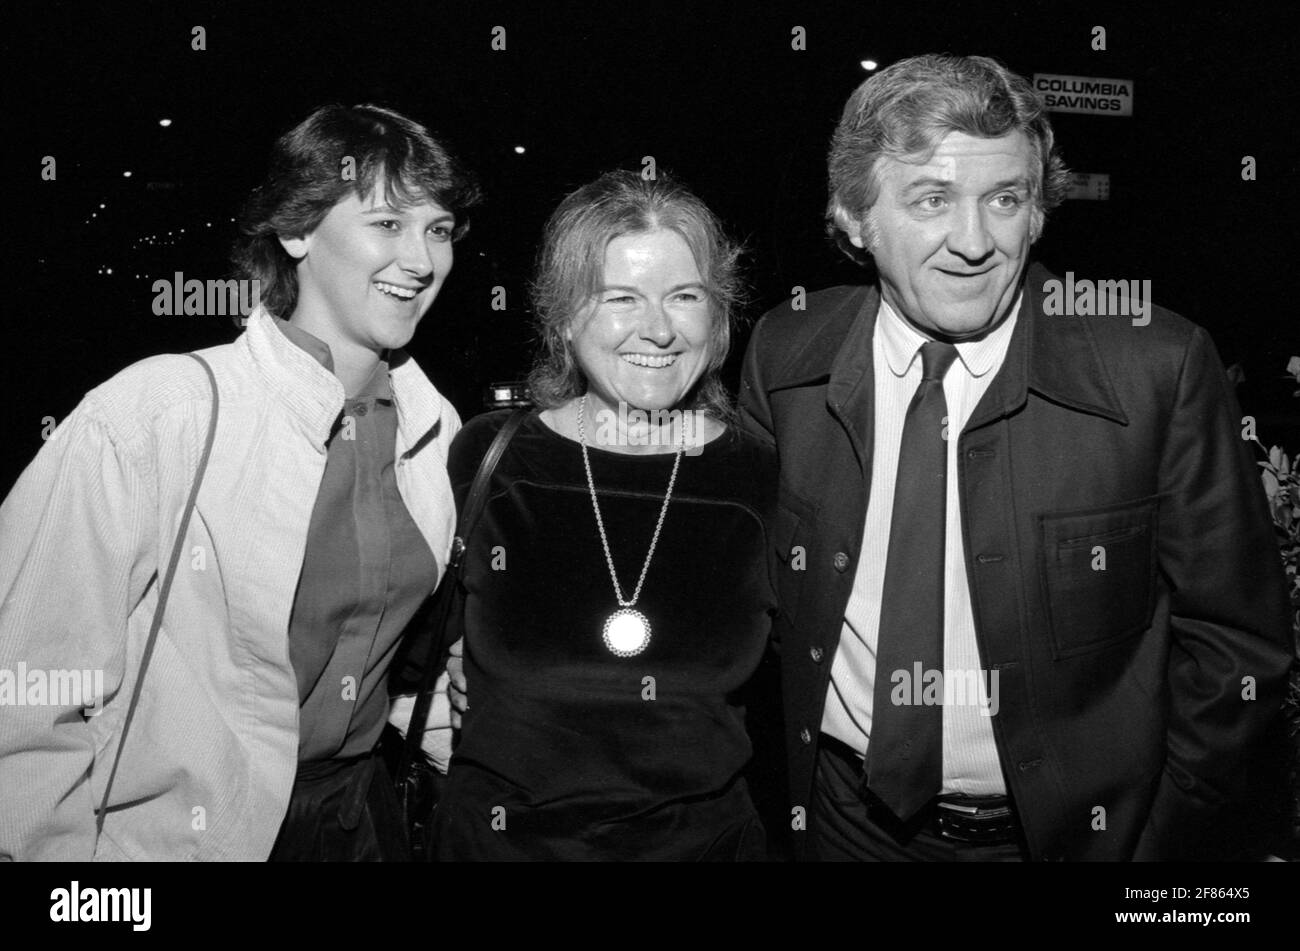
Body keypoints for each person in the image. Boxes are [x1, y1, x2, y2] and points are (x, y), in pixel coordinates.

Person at [738, 54, 1293, 861]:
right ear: (854, 218)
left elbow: (1238, 646)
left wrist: (1160, 856)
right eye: (931, 198)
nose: (975, 241)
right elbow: (740, 591)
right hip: (844, 824)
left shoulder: (1155, 366)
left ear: (1037, 214)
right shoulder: (786, 353)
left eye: (1005, 199)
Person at [0, 103, 481, 860]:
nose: (422, 259)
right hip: (173, 838)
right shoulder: (156, 416)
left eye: (439, 229)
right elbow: (24, 690)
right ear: (296, 230)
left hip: (358, 822)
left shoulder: (436, 428)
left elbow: (408, 669)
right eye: (387, 224)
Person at [422, 169, 776, 860]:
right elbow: (409, 640)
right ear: (563, 316)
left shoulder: (762, 471)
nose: (658, 328)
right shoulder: (487, 456)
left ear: (719, 316)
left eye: (684, 296)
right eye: (621, 298)